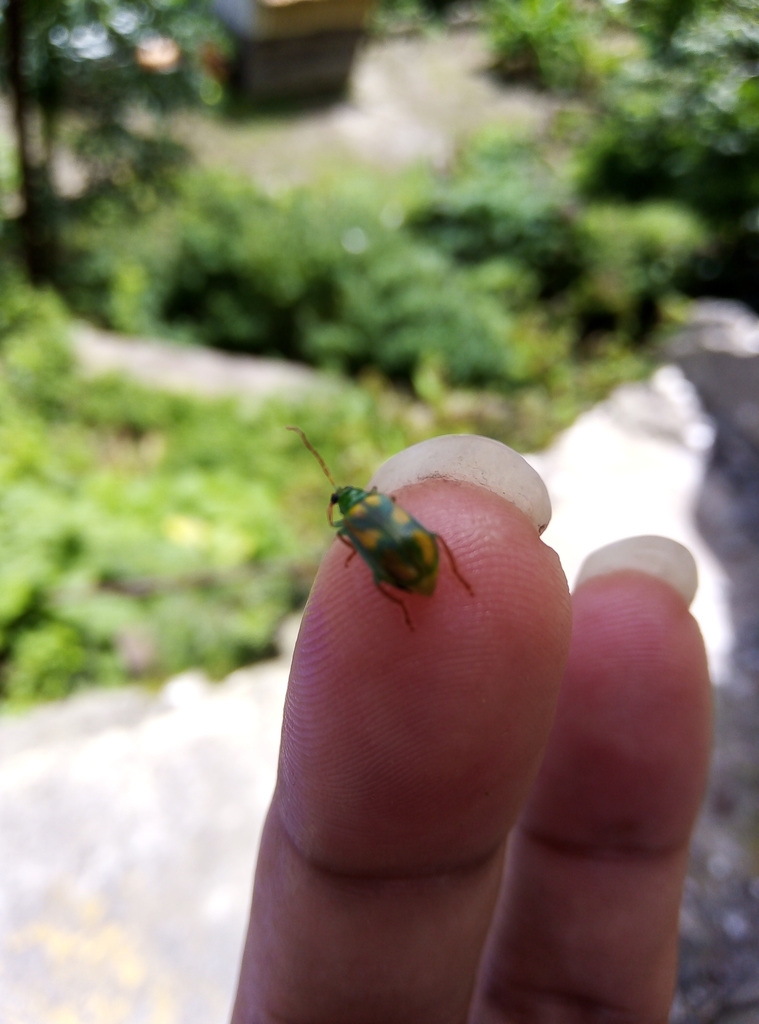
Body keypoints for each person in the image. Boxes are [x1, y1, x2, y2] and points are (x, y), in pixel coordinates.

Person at [231, 435, 712, 1023]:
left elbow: (375, 546)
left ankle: (442, 594)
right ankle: (449, 588)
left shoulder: (357, 527)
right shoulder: (377, 512)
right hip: (419, 558)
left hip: (409, 567)